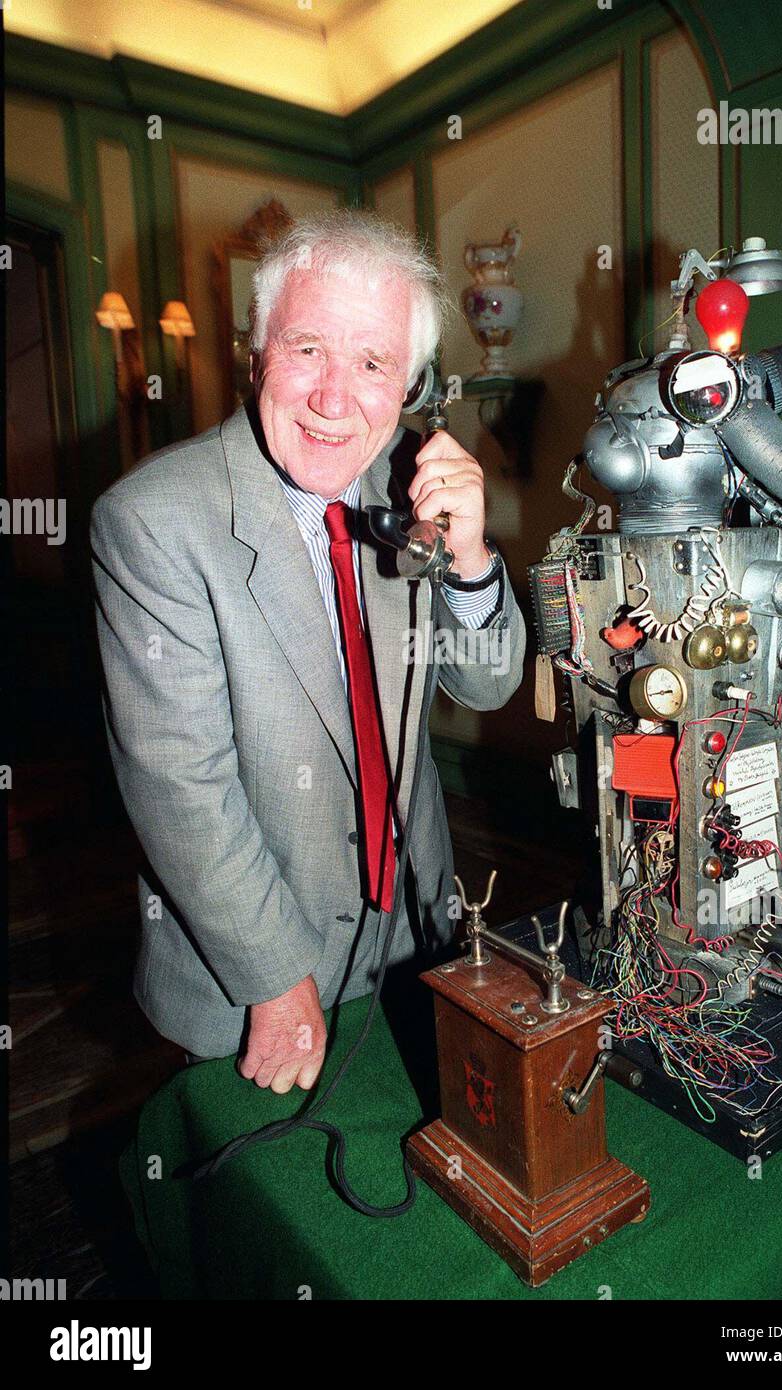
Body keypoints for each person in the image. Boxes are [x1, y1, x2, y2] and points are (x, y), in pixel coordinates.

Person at [90, 210, 526, 1096]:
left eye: (372, 364)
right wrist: (276, 982)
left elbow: (486, 685)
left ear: (408, 383)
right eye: (307, 350)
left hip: (419, 936)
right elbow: (178, 782)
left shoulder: (410, 482)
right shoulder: (151, 521)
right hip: (252, 976)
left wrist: (472, 563)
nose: (336, 398)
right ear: (257, 352)